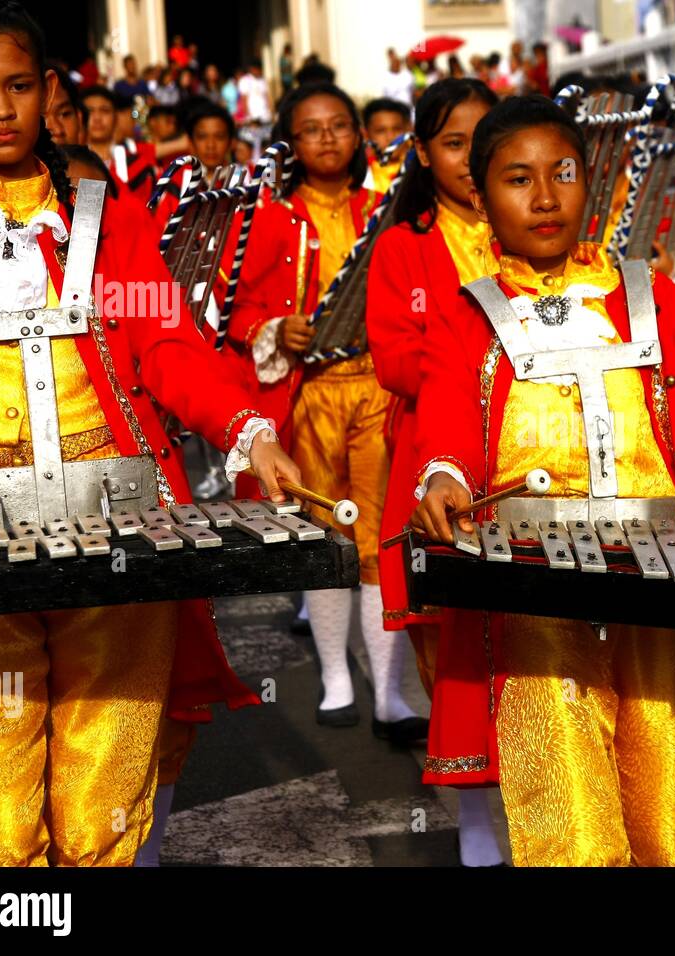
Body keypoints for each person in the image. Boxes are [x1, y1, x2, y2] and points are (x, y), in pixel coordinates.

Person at [0, 0, 300, 866]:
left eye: (19, 86)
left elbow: (166, 342)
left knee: (103, 814)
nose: (2, 108)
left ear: (50, 89)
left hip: (120, 526)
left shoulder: (106, 217)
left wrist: (246, 430)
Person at [409, 95, 675, 867]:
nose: (543, 196)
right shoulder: (465, 317)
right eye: (516, 178)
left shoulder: (651, 297)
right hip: (529, 593)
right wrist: (446, 479)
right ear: (479, 193)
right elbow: (446, 426)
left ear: (590, 181)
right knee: (571, 830)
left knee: (664, 826)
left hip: (662, 586)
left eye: (562, 174)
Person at [229, 83, 419, 741]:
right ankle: (337, 676)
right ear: (293, 142)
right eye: (313, 129)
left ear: (359, 136)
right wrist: (277, 329)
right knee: (325, 538)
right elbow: (238, 309)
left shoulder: (386, 212)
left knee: (380, 540)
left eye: (341, 125)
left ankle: (391, 692)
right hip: (308, 395)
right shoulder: (272, 218)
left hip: (379, 391)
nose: (330, 138)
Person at [365, 77, 505, 866]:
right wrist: (492, 369)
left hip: (532, 467)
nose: (469, 160)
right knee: (452, 656)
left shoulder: (537, 222)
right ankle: (479, 831)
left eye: (484, 143)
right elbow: (394, 358)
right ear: (422, 152)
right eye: (453, 143)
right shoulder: (403, 244)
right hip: (434, 470)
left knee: (535, 652)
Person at [361, 97, 411, 193]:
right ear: (366, 135)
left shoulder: (422, 170)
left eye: (397, 129)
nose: (390, 137)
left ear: (408, 130)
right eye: (381, 131)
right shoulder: (358, 176)